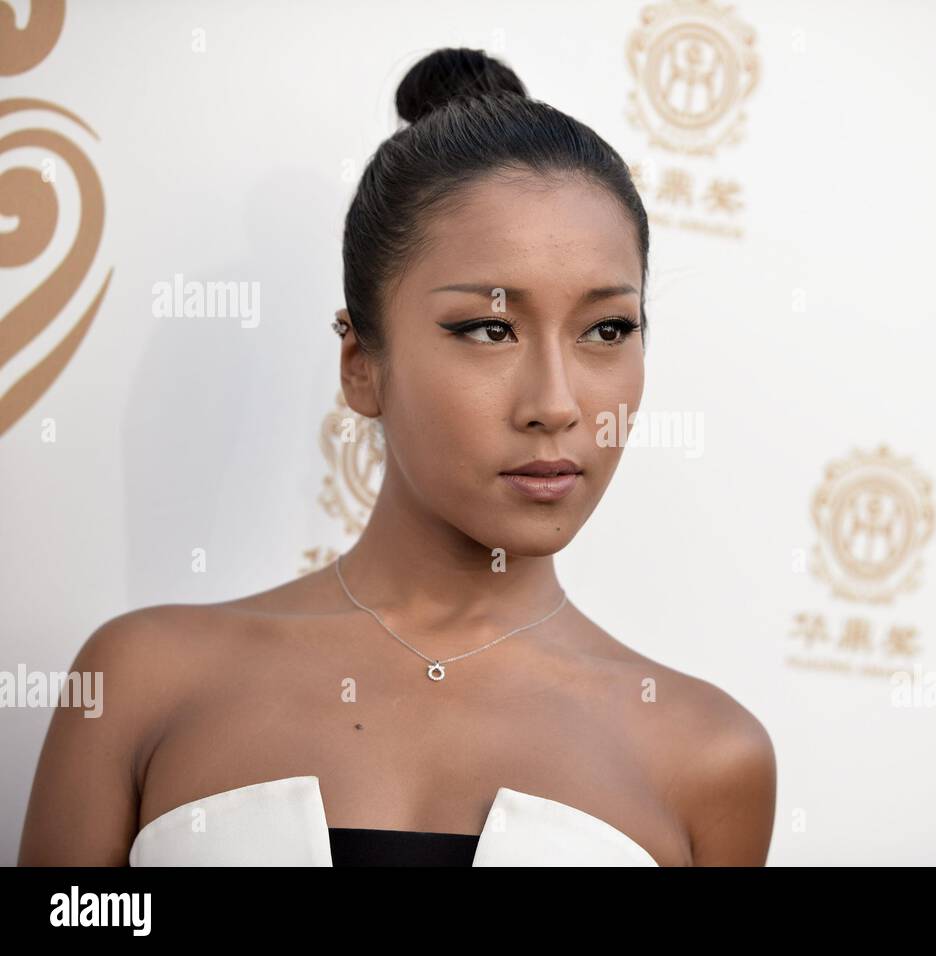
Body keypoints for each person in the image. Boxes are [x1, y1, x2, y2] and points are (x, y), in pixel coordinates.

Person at [18, 47, 776, 867]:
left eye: (607, 330)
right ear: (362, 366)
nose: (558, 404)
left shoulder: (709, 756)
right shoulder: (139, 684)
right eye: (489, 328)